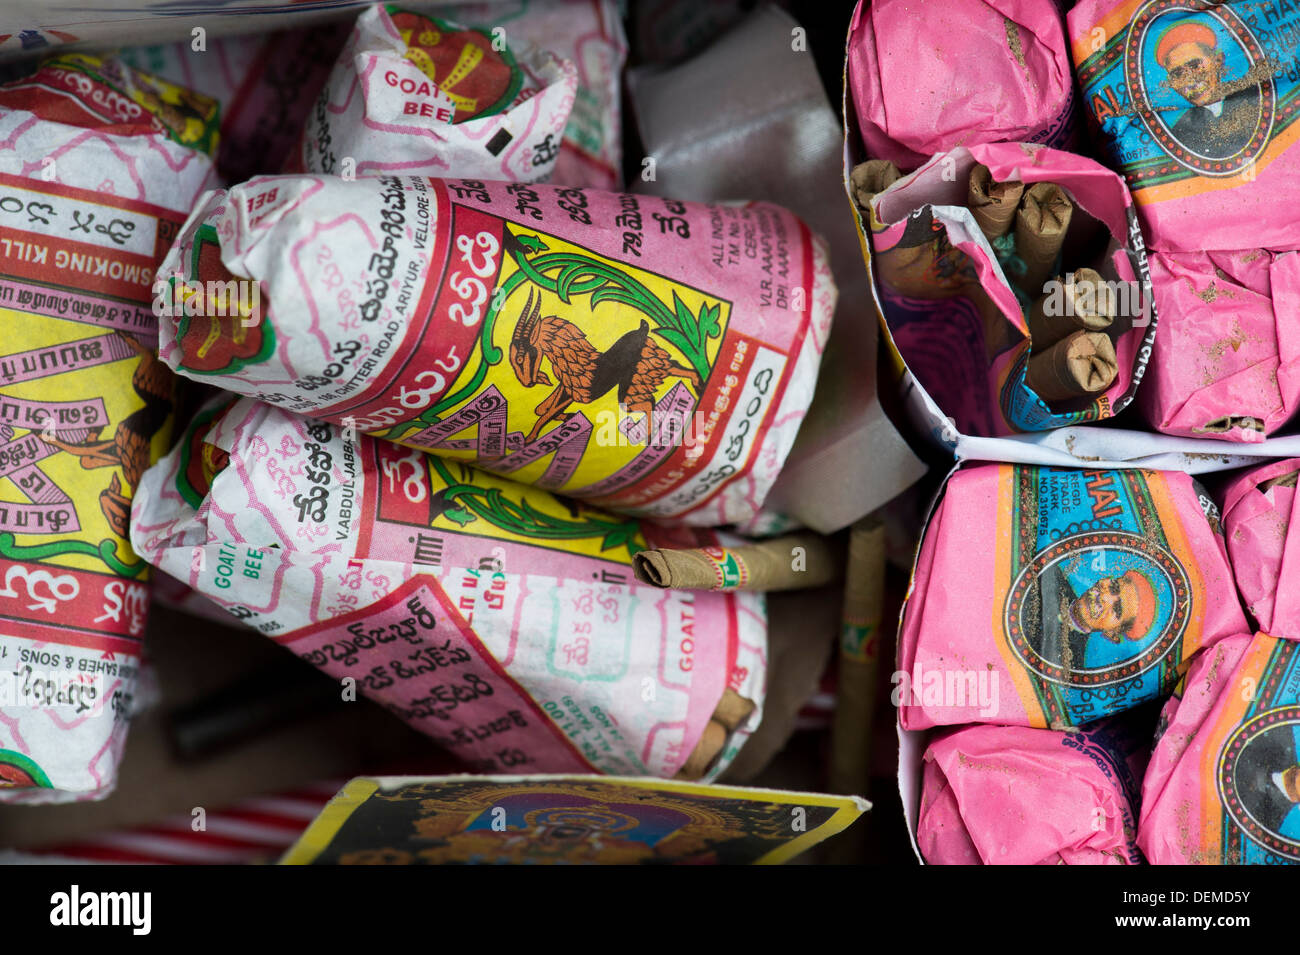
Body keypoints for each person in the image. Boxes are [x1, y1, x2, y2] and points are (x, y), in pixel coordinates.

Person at [1156, 20, 1261, 159]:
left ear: (1218, 60)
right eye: (1178, 74)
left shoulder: (1257, 97)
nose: (1190, 80)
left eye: (1195, 65)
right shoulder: (1179, 134)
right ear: (1171, 83)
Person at [1029, 563, 1159, 672]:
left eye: (1117, 609)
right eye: (1114, 587)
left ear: (1112, 633)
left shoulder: (1068, 667)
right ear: (1105, 580)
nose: (1105, 598)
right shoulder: (1048, 571)